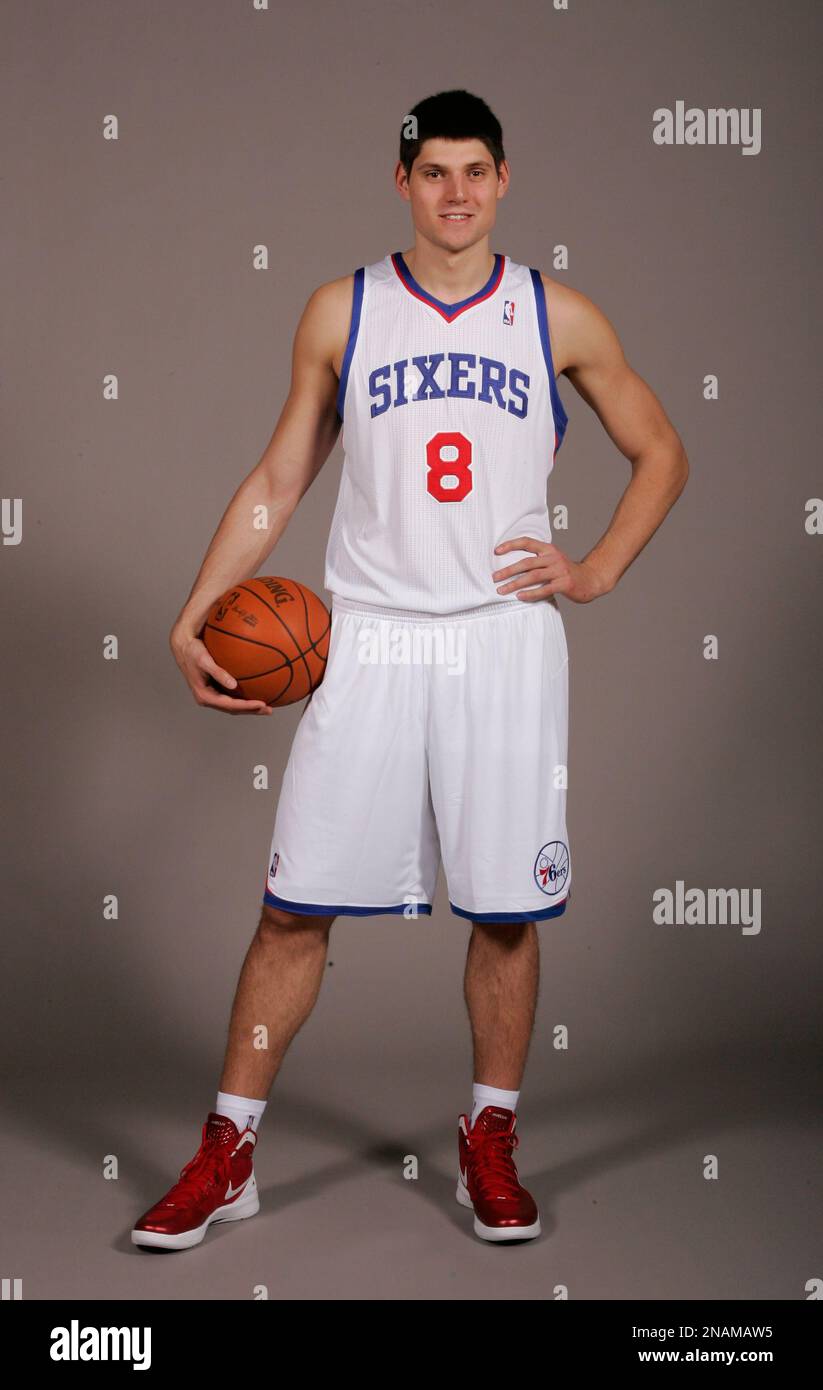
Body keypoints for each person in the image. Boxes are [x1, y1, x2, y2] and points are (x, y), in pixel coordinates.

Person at [132, 89, 688, 1250]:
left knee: (503, 910)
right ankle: (227, 1149)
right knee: (294, 908)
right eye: (433, 171)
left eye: (475, 170)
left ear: (504, 178)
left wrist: (592, 571)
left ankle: (489, 1137)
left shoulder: (555, 314)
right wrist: (194, 611)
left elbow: (661, 450)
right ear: (401, 182)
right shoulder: (343, 309)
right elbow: (281, 477)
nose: (455, 192)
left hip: (499, 638)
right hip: (370, 637)